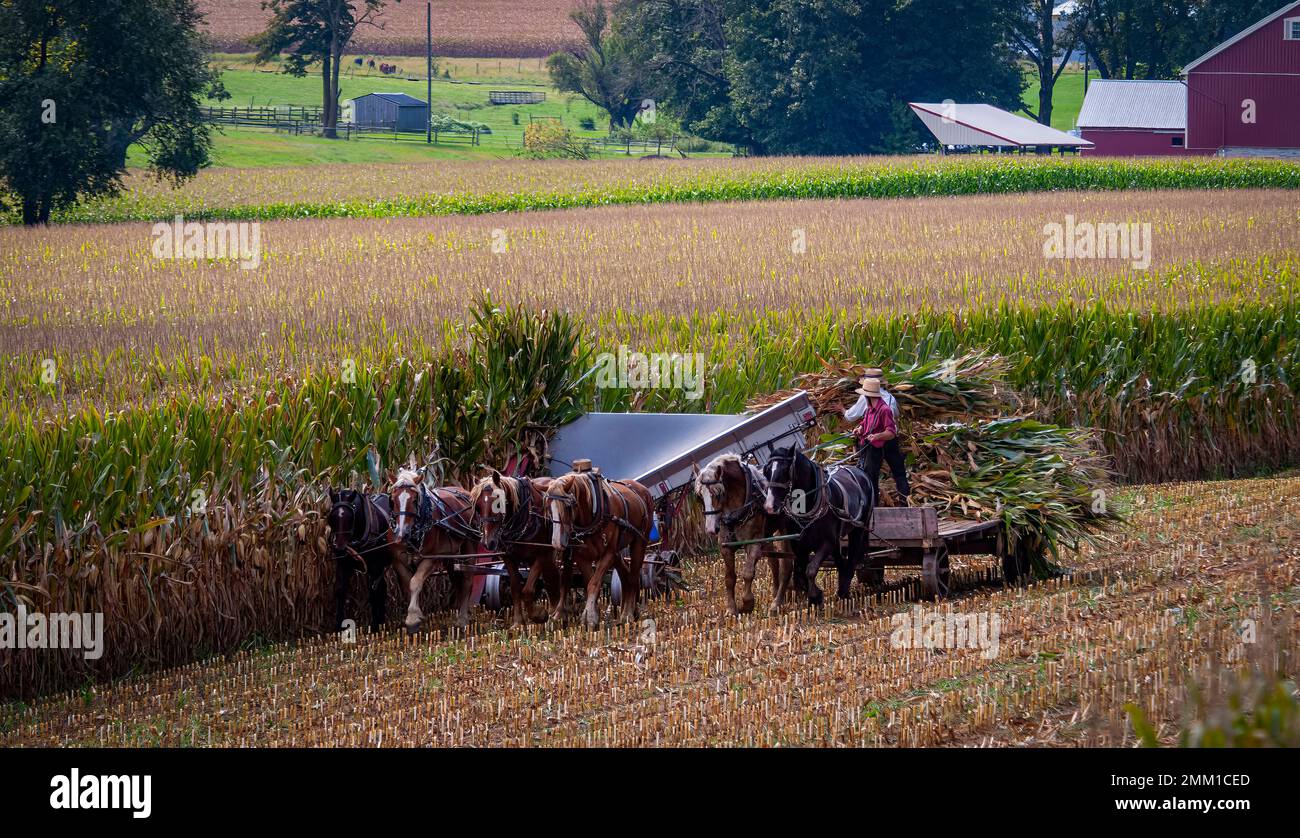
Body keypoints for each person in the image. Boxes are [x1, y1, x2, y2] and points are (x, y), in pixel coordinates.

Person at [847, 371, 910, 504]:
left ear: (869, 396)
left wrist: (877, 436)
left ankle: (905, 503)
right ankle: (873, 507)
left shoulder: (884, 409)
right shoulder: (871, 408)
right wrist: (860, 428)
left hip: (884, 444)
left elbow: (891, 432)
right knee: (871, 477)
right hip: (872, 446)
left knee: (897, 473)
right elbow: (865, 422)